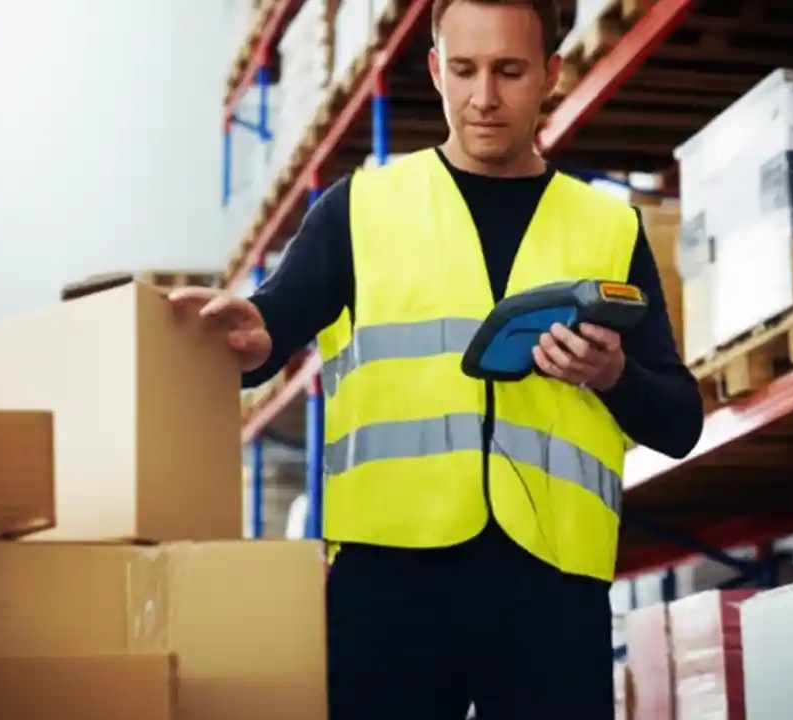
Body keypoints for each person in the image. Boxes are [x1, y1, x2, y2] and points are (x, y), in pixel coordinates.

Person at [169, 0, 704, 715]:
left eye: (510, 72)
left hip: (552, 592)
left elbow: (679, 419)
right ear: (434, 70)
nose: (484, 98)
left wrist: (611, 375)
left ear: (551, 74)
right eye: (465, 70)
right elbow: (271, 330)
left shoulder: (608, 226)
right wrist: (252, 334)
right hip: (390, 588)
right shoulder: (358, 209)